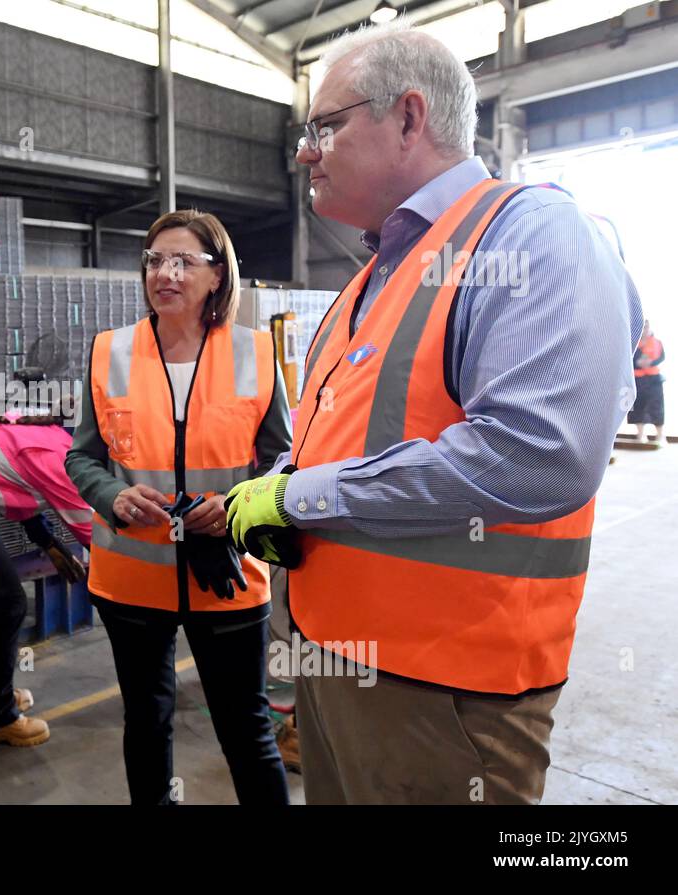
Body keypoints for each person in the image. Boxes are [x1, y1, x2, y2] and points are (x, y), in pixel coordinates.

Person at [224, 23, 643, 804]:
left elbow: (536, 453)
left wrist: (301, 497)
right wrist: (283, 479)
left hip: (449, 694)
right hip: (338, 665)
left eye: (325, 127)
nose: (305, 153)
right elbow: (353, 439)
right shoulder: (372, 280)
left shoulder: (530, 233)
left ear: (409, 118)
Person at [66, 209, 293, 806]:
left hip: (229, 577)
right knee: (146, 722)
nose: (164, 273)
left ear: (217, 276)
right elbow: (81, 459)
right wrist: (112, 495)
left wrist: (235, 504)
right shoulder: (109, 352)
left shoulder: (256, 353)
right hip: (131, 580)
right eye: (154, 260)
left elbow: (285, 460)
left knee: (246, 729)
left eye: (183, 261)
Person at [0, 402, 93, 748]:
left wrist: (48, 541)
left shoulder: (48, 434)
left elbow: (16, 478)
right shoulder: (60, 456)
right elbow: (96, 536)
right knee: (6, 605)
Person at [630, 320, 665, 447]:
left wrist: (650, 362)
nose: (644, 329)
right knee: (638, 406)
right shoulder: (632, 342)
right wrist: (638, 364)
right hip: (637, 379)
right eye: (642, 327)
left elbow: (662, 357)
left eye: (646, 326)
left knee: (657, 406)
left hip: (654, 378)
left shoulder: (657, 342)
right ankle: (640, 435)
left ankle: (660, 435)